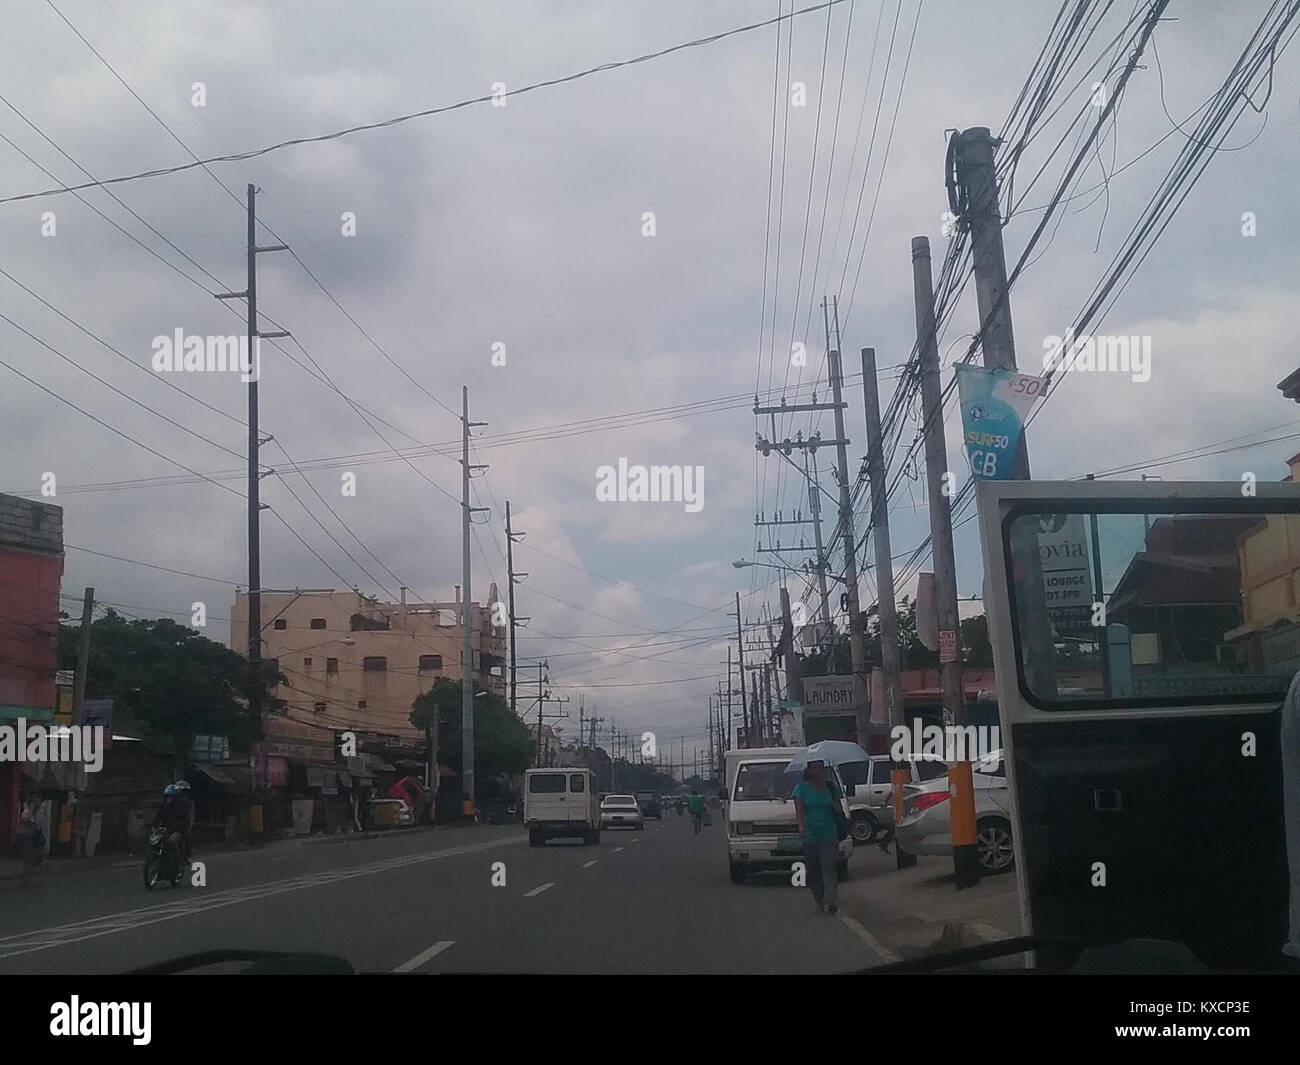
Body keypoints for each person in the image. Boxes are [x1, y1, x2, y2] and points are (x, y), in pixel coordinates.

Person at [793, 760, 841, 915]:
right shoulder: (801, 789)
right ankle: (819, 899)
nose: (818, 771)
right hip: (811, 835)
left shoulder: (830, 787)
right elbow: (799, 811)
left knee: (829, 868)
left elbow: (839, 810)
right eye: (815, 768)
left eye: (821, 767)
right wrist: (801, 827)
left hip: (829, 833)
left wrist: (834, 805)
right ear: (809, 771)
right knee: (814, 870)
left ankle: (831, 900)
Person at [153, 781, 195, 868]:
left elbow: (187, 819)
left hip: (180, 829)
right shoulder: (164, 807)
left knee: (185, 838)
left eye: (171, 797)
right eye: (167, 797)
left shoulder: (185, 805)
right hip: (167, 829)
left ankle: (185, 857)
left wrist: (182, 827)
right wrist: (154, 827)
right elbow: (157, 818)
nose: (169, 799)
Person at [15, 796, 46, 882]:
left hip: (33, 836)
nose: (37, 804)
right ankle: (24, 875)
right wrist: (31, 810)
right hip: (24, 836)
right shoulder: (26, 812)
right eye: (35, 802)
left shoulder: (40, 813)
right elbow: (25, 820)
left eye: (39, 802)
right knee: (29, 856)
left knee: (39, 857)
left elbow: (40, 826)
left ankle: (25, 872)